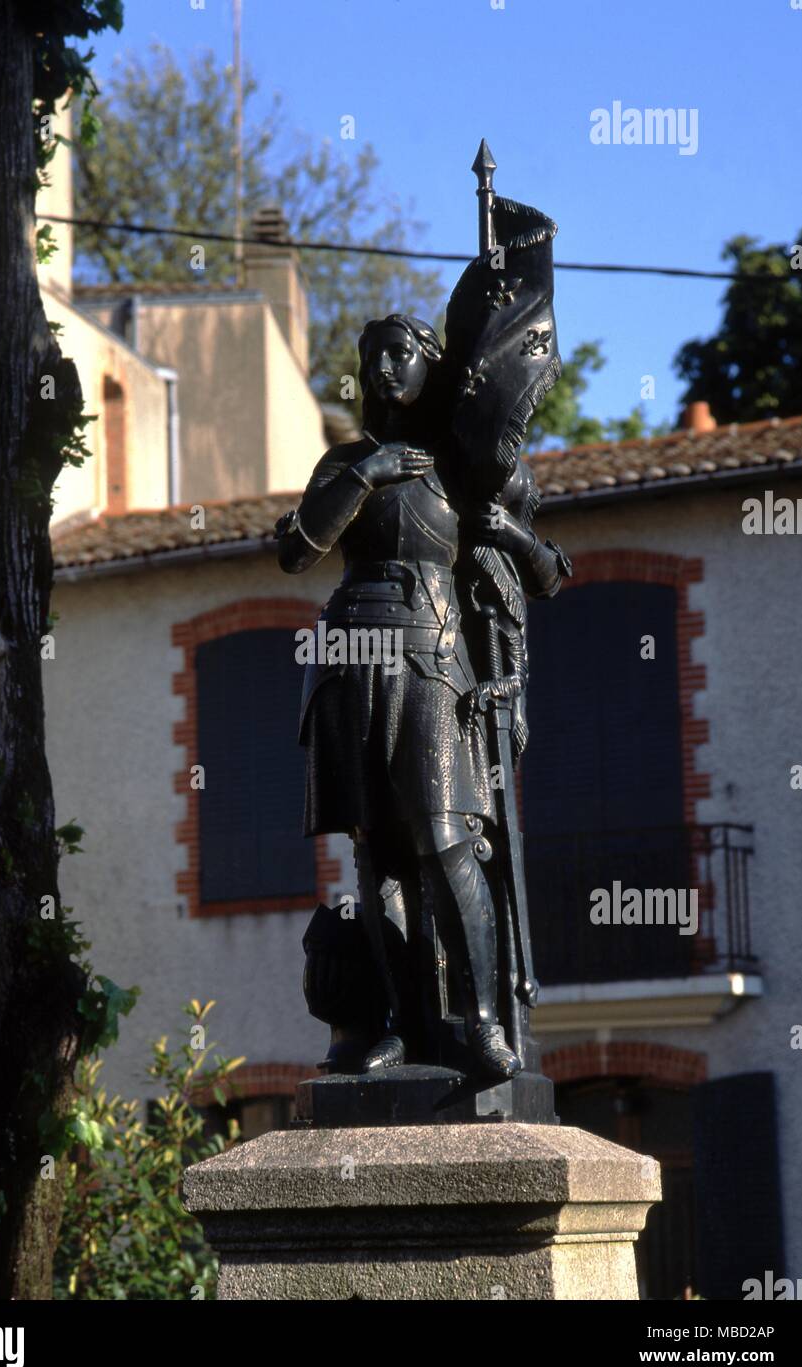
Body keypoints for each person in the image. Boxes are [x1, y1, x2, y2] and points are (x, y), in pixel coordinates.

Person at [276, 311, 568, 1080]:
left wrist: (508, 533)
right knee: (378, 857)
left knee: (442, 840)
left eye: (399, 355)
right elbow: (296, 552)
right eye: (372, 356)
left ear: (429, 366)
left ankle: (476, 1024)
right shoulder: (343, 463)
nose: (382, 369)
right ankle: (403, 1027)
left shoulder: (462, 464)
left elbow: (545, 576)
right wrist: (364, 478)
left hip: (432, 660)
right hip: (347, 661)